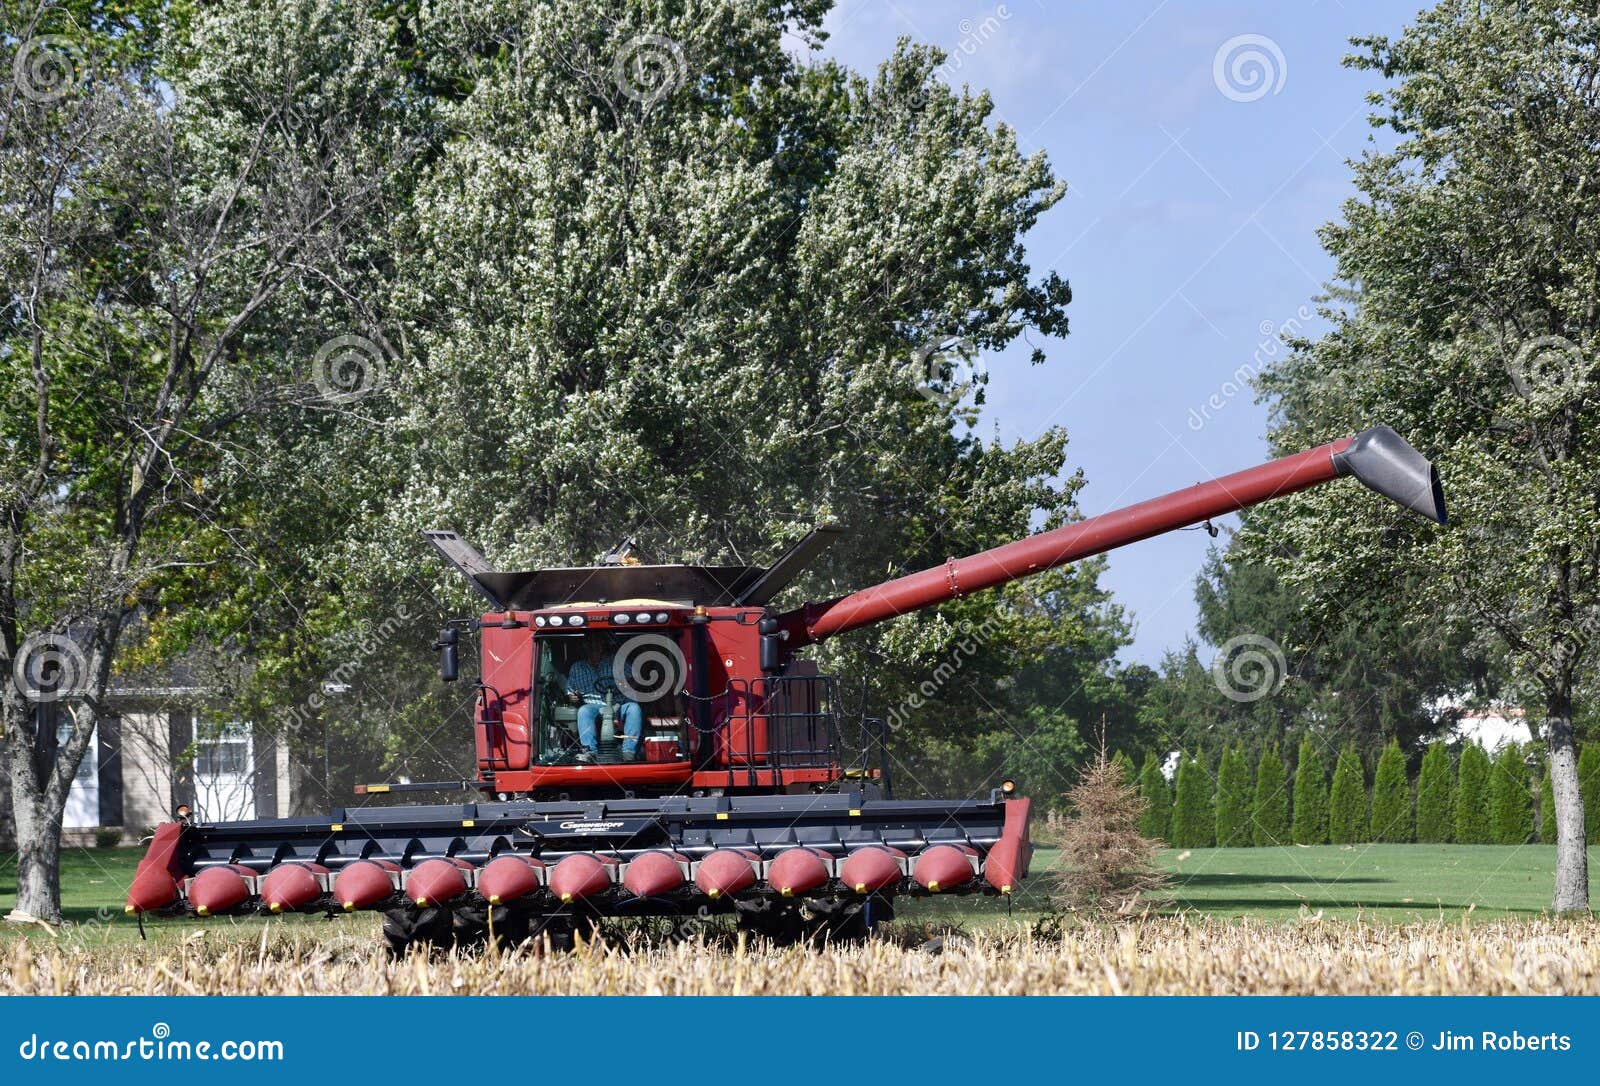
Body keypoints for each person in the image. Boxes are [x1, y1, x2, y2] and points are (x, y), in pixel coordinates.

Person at [565, 633, 642, 761]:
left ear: (603, 646)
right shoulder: (577, 667)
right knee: (583, 711)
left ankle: (629, 751)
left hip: (618, 704)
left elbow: (635, 679)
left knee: (634, 708)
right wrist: (573, 697)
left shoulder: (617, 662)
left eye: (597, 644)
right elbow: (570, 692)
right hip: (594, 706)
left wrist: (626, 685)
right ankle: (590, 751)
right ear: (585, 647)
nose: (594, 647)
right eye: (590, 644)